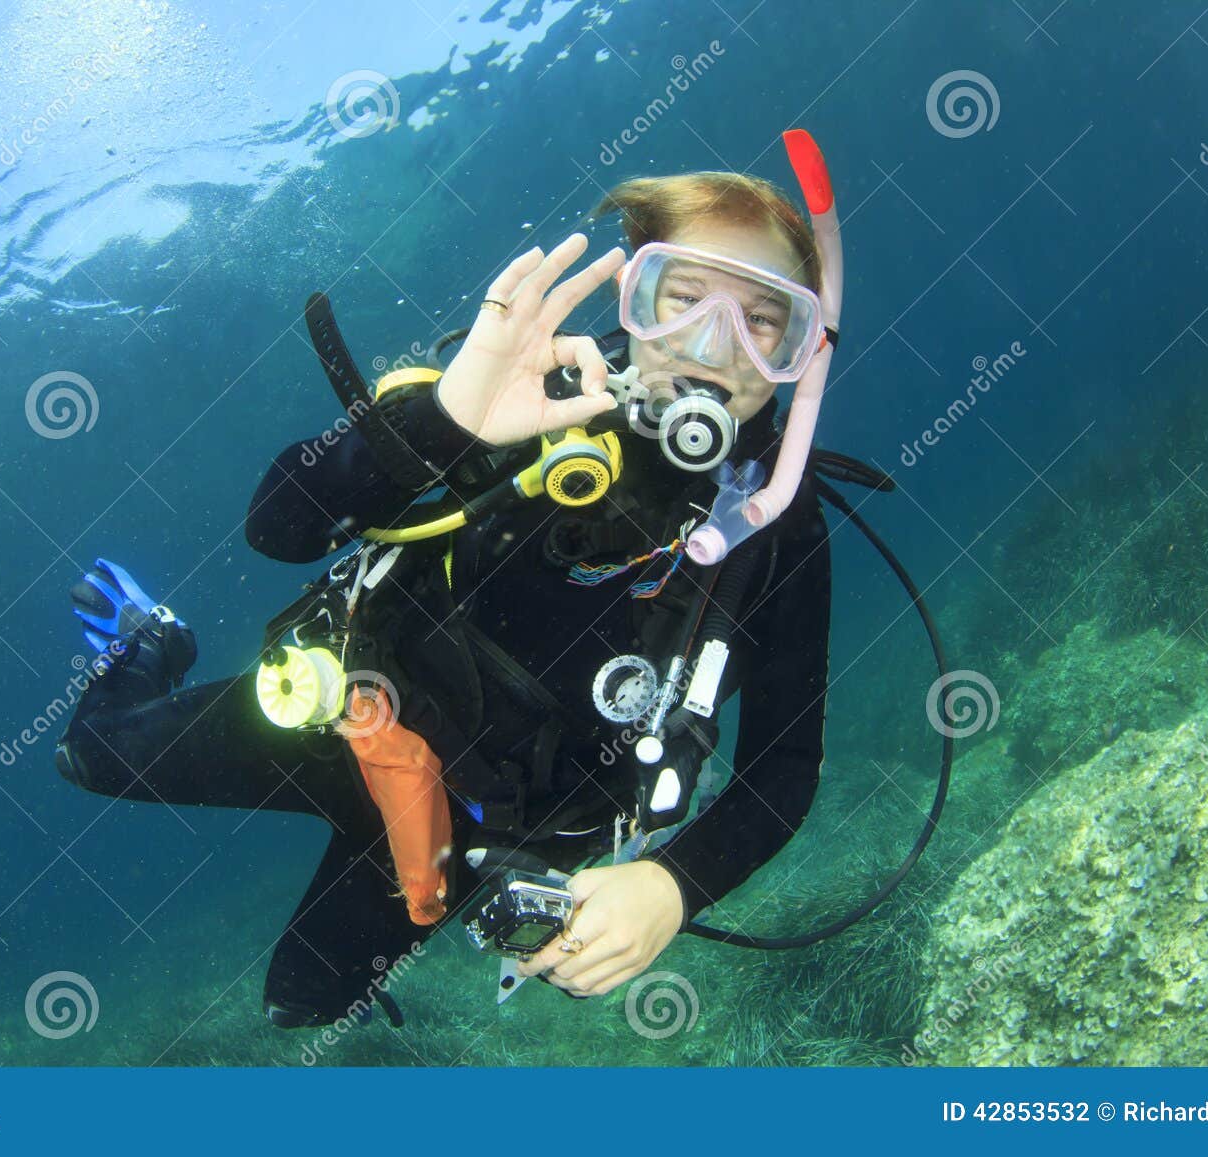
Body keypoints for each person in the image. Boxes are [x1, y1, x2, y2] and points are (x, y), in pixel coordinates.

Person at [54, 134, 843, 1029]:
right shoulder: (527, 386)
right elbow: (278, 528)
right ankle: (156, 643)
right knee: (91, 754)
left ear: (803, 349)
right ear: (635, 298)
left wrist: (671, 884)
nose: (713, 346)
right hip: (340, 713)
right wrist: (444, 419)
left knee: (301, 1003)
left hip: (480, 826)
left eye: (763, 320)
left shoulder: (778, 529)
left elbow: (785, 768)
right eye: (686, 300)